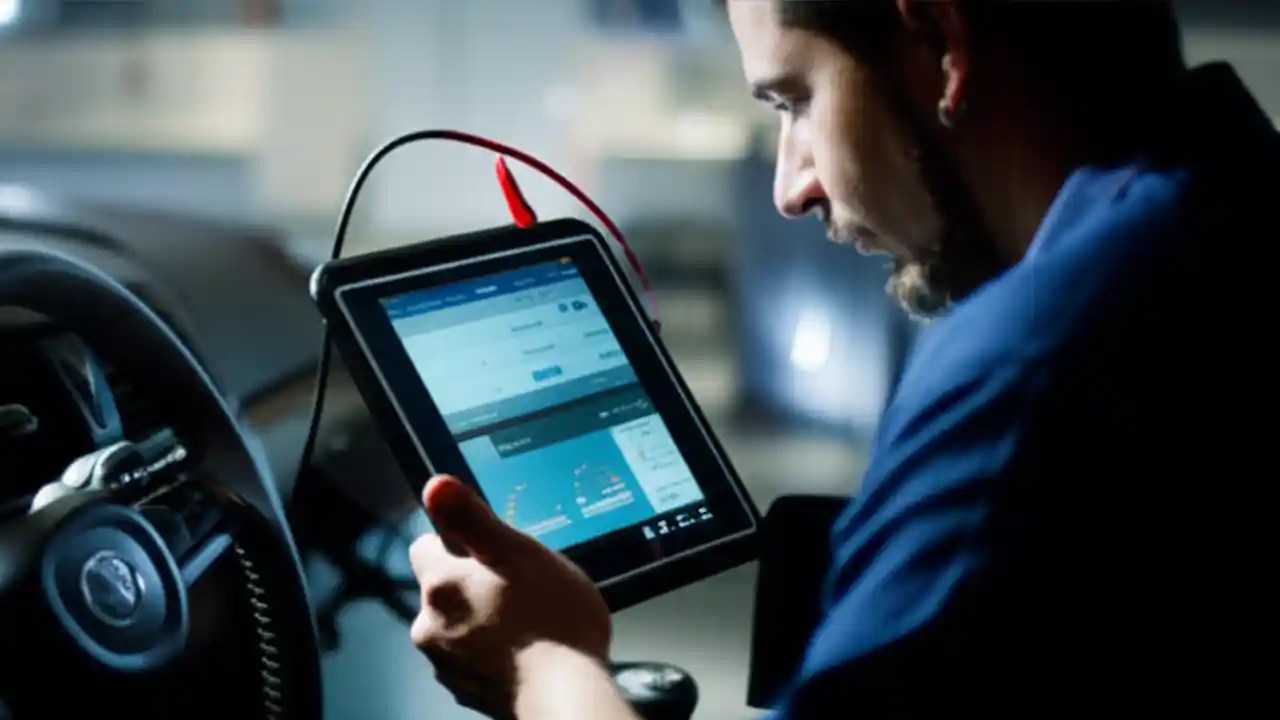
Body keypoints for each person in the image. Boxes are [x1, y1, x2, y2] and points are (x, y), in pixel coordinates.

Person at [407, 0, 1278, 716]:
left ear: (942, 42)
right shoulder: (1228, 200)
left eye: (795, 101)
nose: (791, 188)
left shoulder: (1033, 362)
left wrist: (541, 665)